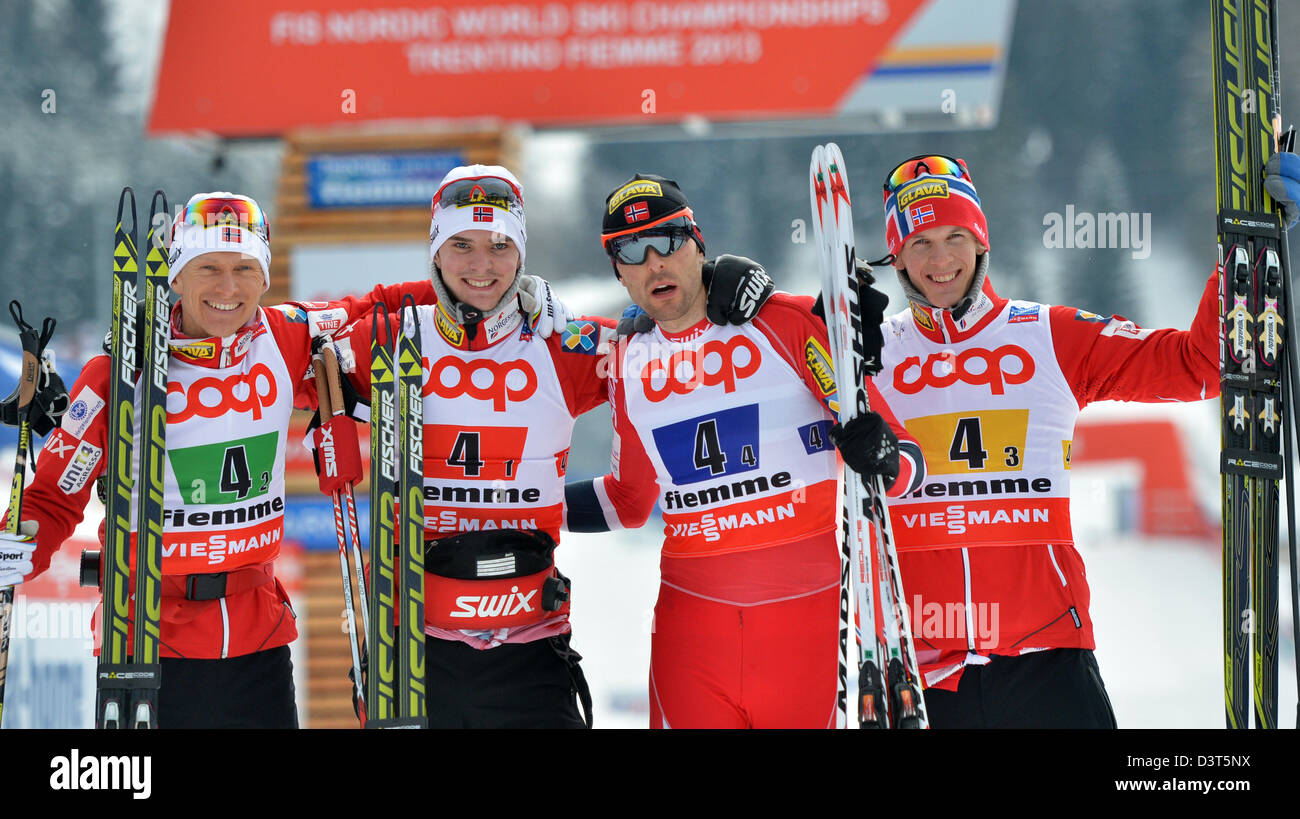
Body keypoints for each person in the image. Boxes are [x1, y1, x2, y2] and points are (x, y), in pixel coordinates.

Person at [829, 152, 1300, 728]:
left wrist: (1248, 249)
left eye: (956, 235)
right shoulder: (862, 360)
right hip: (923, 677)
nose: (941, 259)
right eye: (920, 242)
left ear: (982, 241)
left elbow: (1197, 365)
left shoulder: (1048, 336)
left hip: (1048, 660)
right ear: (895, 254)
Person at [324, 165, 774, 727]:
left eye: (500, 245)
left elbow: (673, 346)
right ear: (435, 251)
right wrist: (387, 313)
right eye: (460, 244)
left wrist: (732, 288)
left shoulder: (567, 345)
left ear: (521, 254)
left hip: (531, 654)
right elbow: (283, 343)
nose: (481, 264)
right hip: (414, 658)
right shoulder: (386, 341)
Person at [563, 173, 925, 728]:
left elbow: (904, 464)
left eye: (669, 241)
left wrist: (881, 452)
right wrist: (520, 502)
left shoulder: (783, 322)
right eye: (632, 252)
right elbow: (628, 500)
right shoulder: (628, 362)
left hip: (801, 617)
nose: (655, 262)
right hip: (691, 633)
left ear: (698, 242)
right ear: (618, 270)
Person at [0, 193, 313, 728]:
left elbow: (385, 311)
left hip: (259, 640)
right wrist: (18, 544)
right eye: (207, 267)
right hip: (147, 641)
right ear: (176, 276)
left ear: (264, 278)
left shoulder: (285, 340)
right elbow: (53, 495)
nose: (227, 288)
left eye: (244, 268)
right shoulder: (117, 374)